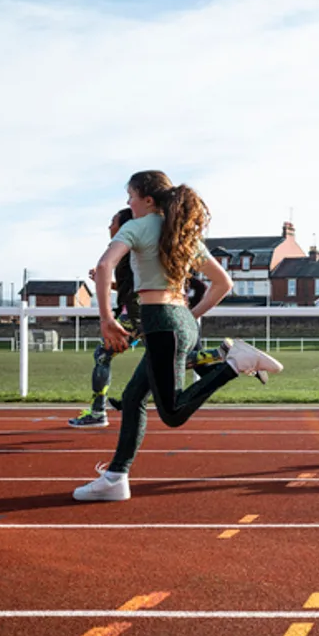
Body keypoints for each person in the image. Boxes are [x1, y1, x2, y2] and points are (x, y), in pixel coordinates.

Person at [73, 171, 283, 502]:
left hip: (163, 323)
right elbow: (224, 283)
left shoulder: (137, 226)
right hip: (178, 320)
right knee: (132, 399)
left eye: (130, 196)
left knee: (171, 413)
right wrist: (189, 316)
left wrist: (106, 319)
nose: (128, 203)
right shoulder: (182, 235)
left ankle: (234, 363)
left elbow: (103, 267)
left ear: (147, 199)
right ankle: (116, 477)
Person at [68, 209, 237, 429]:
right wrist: (109, 284)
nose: (109, 227)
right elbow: (136, 283)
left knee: (104, 354)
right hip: (163, 312)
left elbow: (141, 282)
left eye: (112, 222)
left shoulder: (130, 246)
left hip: (142, 313)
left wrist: (106, 291)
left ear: (125, 225)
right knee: (161, 361)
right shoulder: (141, 247)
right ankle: (220, 356)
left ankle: (99, 411)